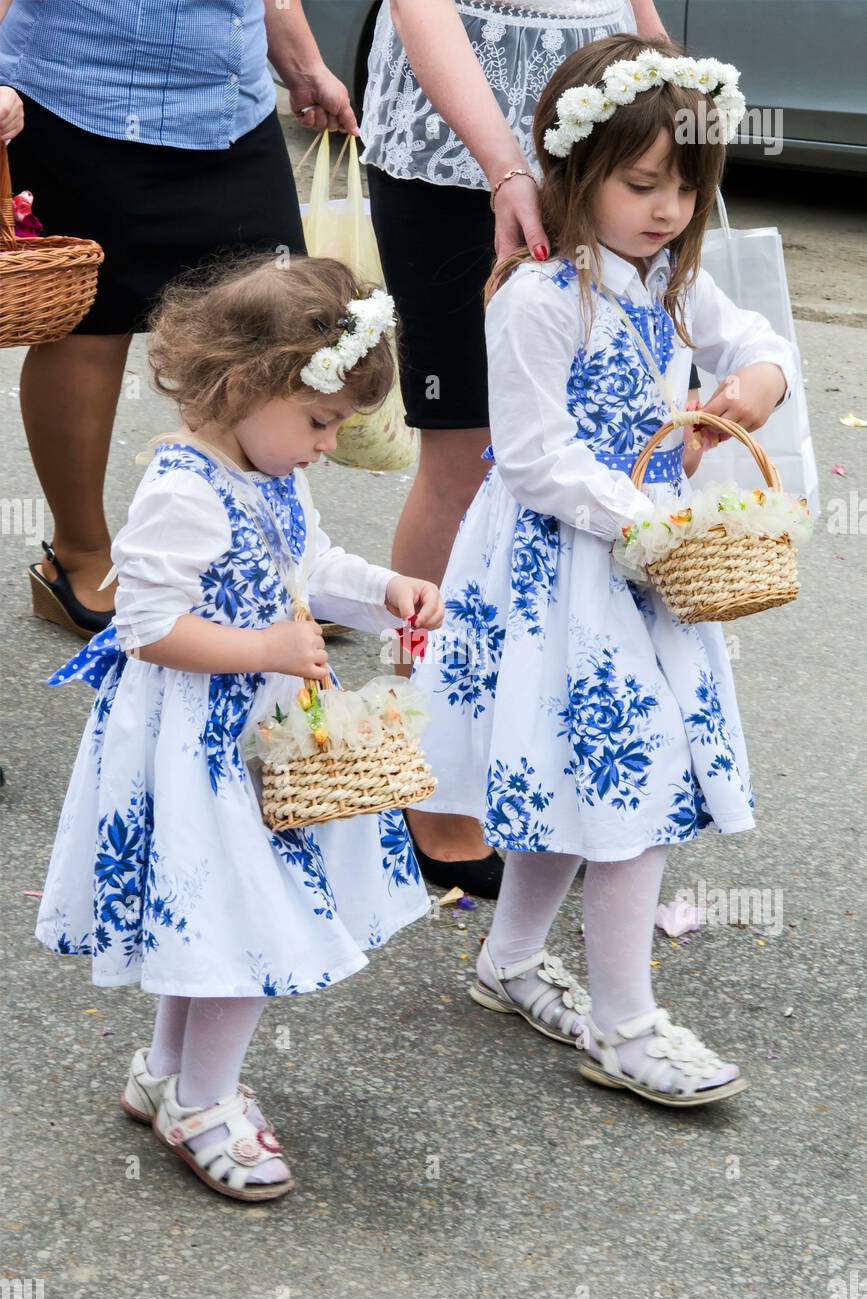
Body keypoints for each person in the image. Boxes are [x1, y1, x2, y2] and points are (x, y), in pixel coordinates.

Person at [409, 33, 801, 1106]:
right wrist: (650, 525)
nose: (669, 208)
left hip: (648, 574)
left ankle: (510, 955)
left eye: (685, 184)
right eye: (642, 184)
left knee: (599, 781)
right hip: (567, 578)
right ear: (575, 171)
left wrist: (759, 380)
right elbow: (534, 460)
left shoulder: (670, 278)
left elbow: (756, 336)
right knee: (637, 779)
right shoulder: (540, 299)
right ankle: (625, 1024)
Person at [34, 254, 444, 1199]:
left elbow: (314, 562)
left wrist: (384, 590)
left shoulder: (268, 473)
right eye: (319, 422)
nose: (327, 447)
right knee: (249, 922)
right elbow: (146, 628)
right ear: (244, 383)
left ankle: (171, 1073)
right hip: (196, 747)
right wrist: (262, 647)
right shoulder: (181, 490)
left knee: (219, 915)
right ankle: (205, 1104)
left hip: (252, 740)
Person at [360, 0, 689, 895]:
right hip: (458, 159)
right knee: (467, 459)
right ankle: (425, 777)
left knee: (588, 458)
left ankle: (535, 752)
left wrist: (679, 112)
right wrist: (509, 171)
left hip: (613, 142)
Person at [0, 0, 357, 638]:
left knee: (277, 330)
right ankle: (78, 554)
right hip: (80, 101)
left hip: (232, 108)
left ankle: (257, 556)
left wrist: (303, 66)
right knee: (89, 327)